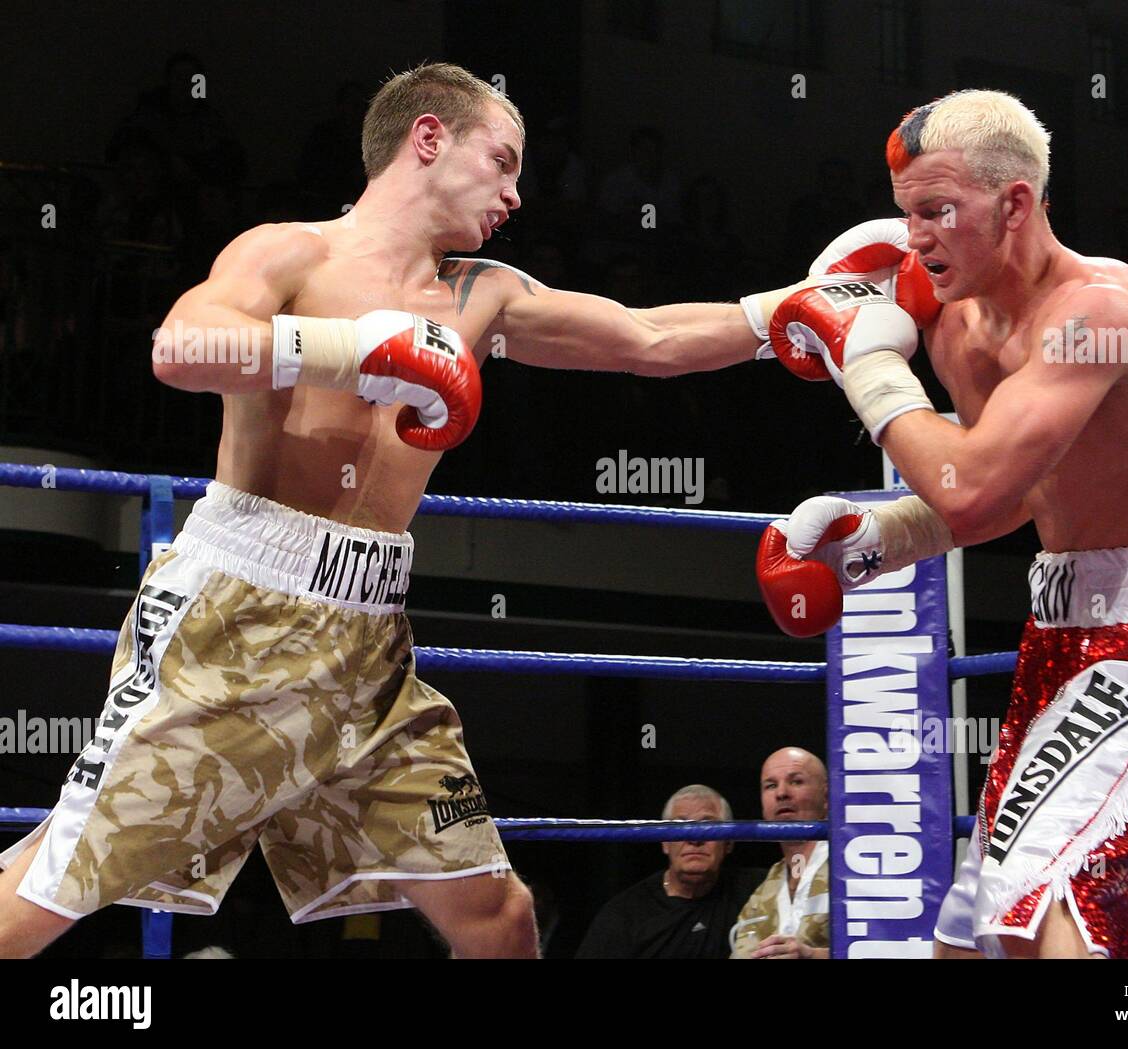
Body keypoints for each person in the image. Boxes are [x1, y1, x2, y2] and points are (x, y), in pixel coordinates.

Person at [0, 62, 805, 959]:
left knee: (499, 917)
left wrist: (797, 310)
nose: (516, 192)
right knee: (43, 893)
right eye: (502, 162)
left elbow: (649, 339)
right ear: (429, 138)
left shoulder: (482, 292)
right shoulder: (291, 251)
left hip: (369, 652)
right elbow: (182, 348)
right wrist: (359, 350)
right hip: (234, 617)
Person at [754, 89, 1128, 958]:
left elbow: (968, 486)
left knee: (1051, 914)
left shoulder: (1103, 313)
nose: (916, 237)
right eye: (907, 214)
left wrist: (866, 364)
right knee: (972, 937)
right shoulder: (959, 330)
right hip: (1062, 634)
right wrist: (877, 539)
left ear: (1015, 203)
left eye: (938, 211)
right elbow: (998, 501)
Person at [576, 785, 762, 959]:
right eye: (680, 826)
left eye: (708, 826)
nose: (694, 838)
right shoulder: (625, 915)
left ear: (728, 842)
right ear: (665, 842)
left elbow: (793, 863)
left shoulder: (758, 891)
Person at [730, 748, 830, 959]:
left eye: (796, 781)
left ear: (827, 797)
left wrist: (813, 956)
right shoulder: (763, 893)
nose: (781, 793)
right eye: (771, 785)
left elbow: (892, 945)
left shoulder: (854, 866)